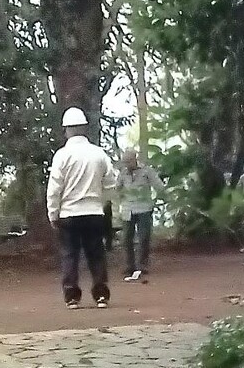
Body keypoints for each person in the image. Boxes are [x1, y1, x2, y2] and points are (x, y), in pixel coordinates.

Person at [47, 107, 119, 309]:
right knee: (96, 253)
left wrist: (53, 213)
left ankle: (72, 296)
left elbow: (55, 188)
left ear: (66, 130)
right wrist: (103, 203)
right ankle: (101, 295)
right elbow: (111, 183)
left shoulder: (62, 156)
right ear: (85, 128)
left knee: (70, 254)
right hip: (94, 212)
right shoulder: (99, 154)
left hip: (69, 214)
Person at [118, 150, 167, 282]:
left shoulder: (147, 171)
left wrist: (158, 199)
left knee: (144, 237)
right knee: (126, 239)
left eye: (128, 161)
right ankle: (130, 265)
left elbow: (159, 186)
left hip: (144, 208)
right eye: (125, 162)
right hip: (128, 209)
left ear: (135, 159)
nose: (126, 164)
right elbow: (117, 189)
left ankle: (142, 265)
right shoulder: (123, 173)